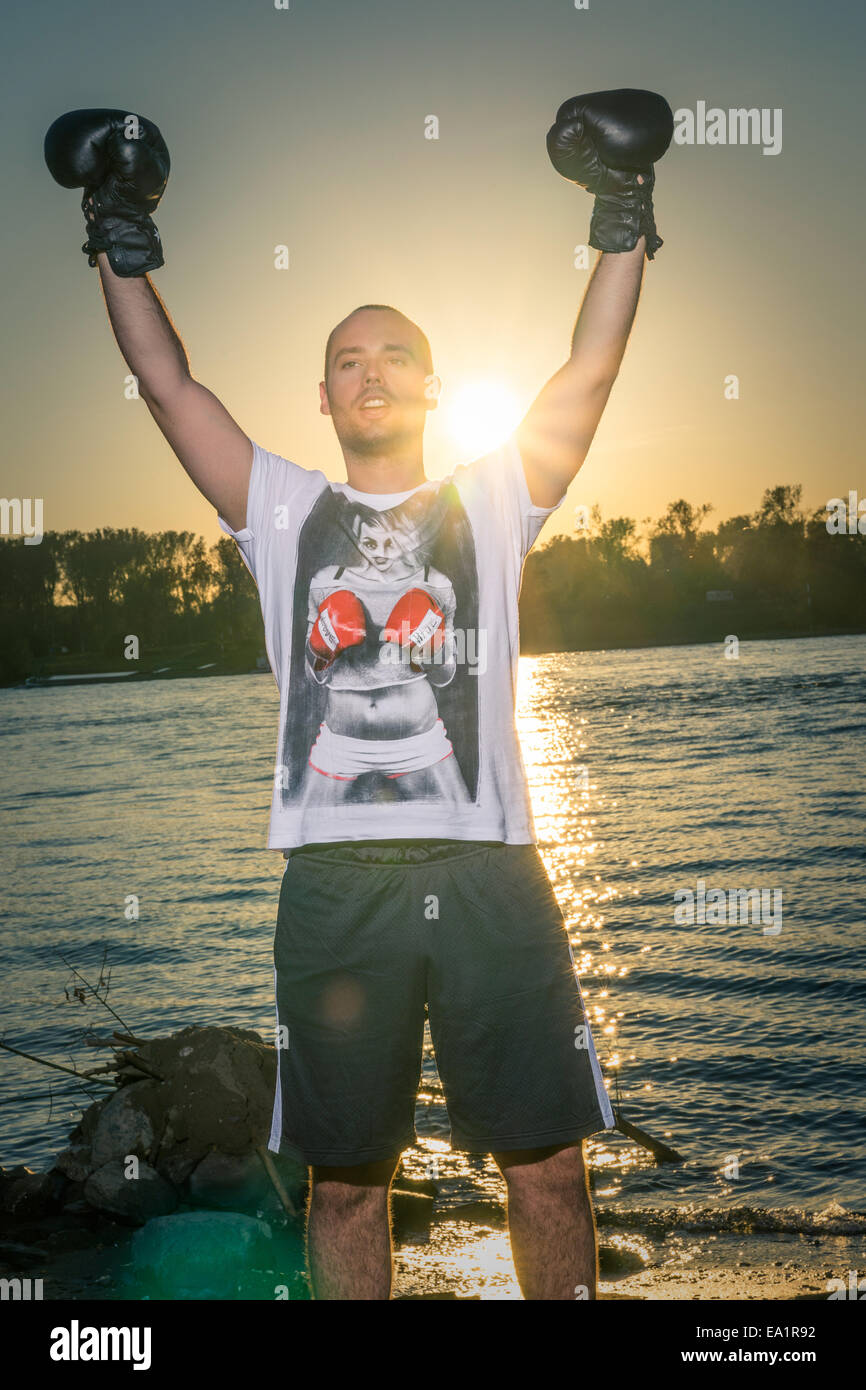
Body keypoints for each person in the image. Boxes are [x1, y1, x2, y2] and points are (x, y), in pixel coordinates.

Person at [44, 90, 672, 1300]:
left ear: (432, 391)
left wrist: (621, 214)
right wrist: (118, 234)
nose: (367, 369)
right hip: (334, 891)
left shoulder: (492, 501)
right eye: (345, 358)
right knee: (346, 1181)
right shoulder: (279, 513)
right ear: (322, 400)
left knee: (542, 1168)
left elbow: (588, 369)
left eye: (392, 354)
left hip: (489, 871)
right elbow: (169, 385)